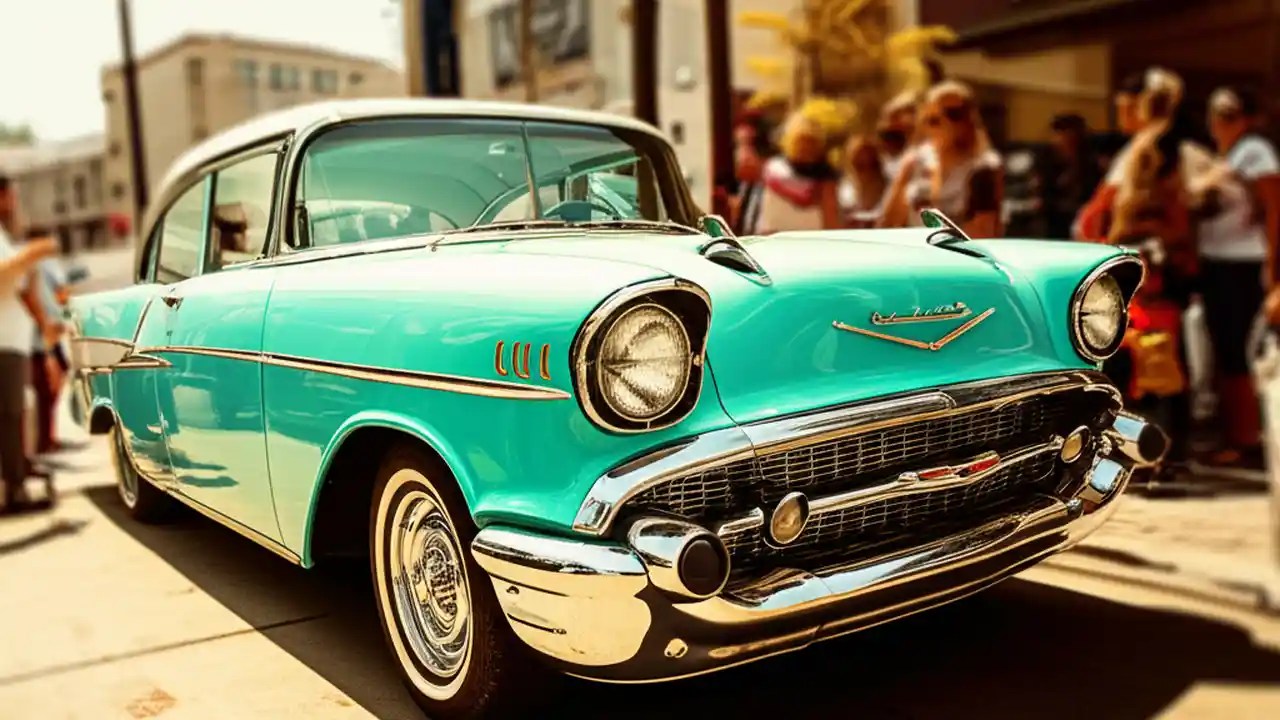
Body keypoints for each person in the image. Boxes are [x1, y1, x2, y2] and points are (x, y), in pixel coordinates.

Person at [1196, 86, 1280, 468]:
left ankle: (1247, 440)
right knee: (1224, 351)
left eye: (1228, 115)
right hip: (1217, 262)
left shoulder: (1255, 152)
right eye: (1217, 116)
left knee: (1239, 353)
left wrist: (1274, 270)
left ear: (1243, 118)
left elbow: (1275, 209)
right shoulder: (1225, 155)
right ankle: (1236, 434)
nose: (1220, 123)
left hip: (1244, 264)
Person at [0, 176, 60, 513]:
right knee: (8, 417)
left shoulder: (6, 238)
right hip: (3, 346)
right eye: (10, 197)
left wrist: (44, 325)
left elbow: (22, 288)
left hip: (12, 344)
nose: (14, 204)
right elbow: (3, 273)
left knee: (14, 416)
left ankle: (17, 481)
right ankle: (14, 492)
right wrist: (36, 251)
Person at [880, 80, 1004, 237]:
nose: (946, 124)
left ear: (970, 118)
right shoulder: (914, 162)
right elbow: (888, 222)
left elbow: (984, 231)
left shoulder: (983, 167)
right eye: (934, 120)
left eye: (954, 114)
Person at [755, 112, 841, 234]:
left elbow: (831, 222)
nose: (806, 147)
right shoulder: (775, 170)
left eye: (811, 142)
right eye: (801, 141)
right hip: (776, 243)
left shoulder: (826, 177)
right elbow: (768, 216)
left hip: (813, 244)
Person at [1043, 113, 1101, 239]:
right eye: (1057, 134)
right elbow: (1045, 196)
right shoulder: (1049, 162)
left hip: (1081, 220)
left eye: (1065, 133)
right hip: (1055, 223)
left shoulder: (1091, 164)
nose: (1059, 139)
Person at [729, 111, 773, 235]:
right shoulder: (744, 186)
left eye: (745, 145)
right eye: (737, 146)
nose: (739, 155)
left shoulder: (775, 193)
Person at [837, 135, 887, 228]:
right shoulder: (844, 189)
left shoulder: (890, 189)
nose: (866, 169)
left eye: (870, 163)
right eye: (860, 165)